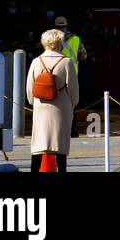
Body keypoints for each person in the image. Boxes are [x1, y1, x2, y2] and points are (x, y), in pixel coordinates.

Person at [25, 29, 78, 171]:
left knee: (39, 144)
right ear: (60, 42)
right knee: (60, 145)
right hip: (62, 107)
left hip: (41, 106)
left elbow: (30, 89)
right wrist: (73, 103)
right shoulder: (66, 62)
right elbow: (73, 88)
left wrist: (33, 102)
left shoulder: (36, 61)